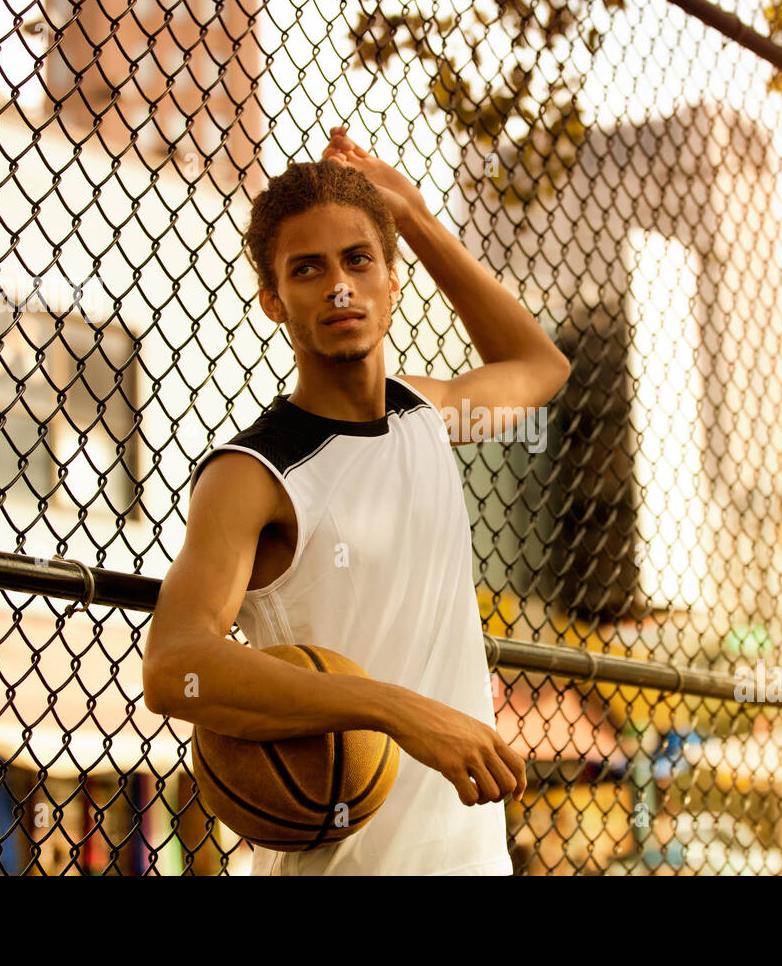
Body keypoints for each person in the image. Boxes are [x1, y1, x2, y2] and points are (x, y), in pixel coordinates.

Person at [142, 126, 571, 875]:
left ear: (391, 280)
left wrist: (416, 217)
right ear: (275, 301)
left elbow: (539, 365)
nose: (339, 285)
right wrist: (394, 708)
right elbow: (174, 666)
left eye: (359, 259)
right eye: (307, 270)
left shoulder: (428, 416)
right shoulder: (255, 472)